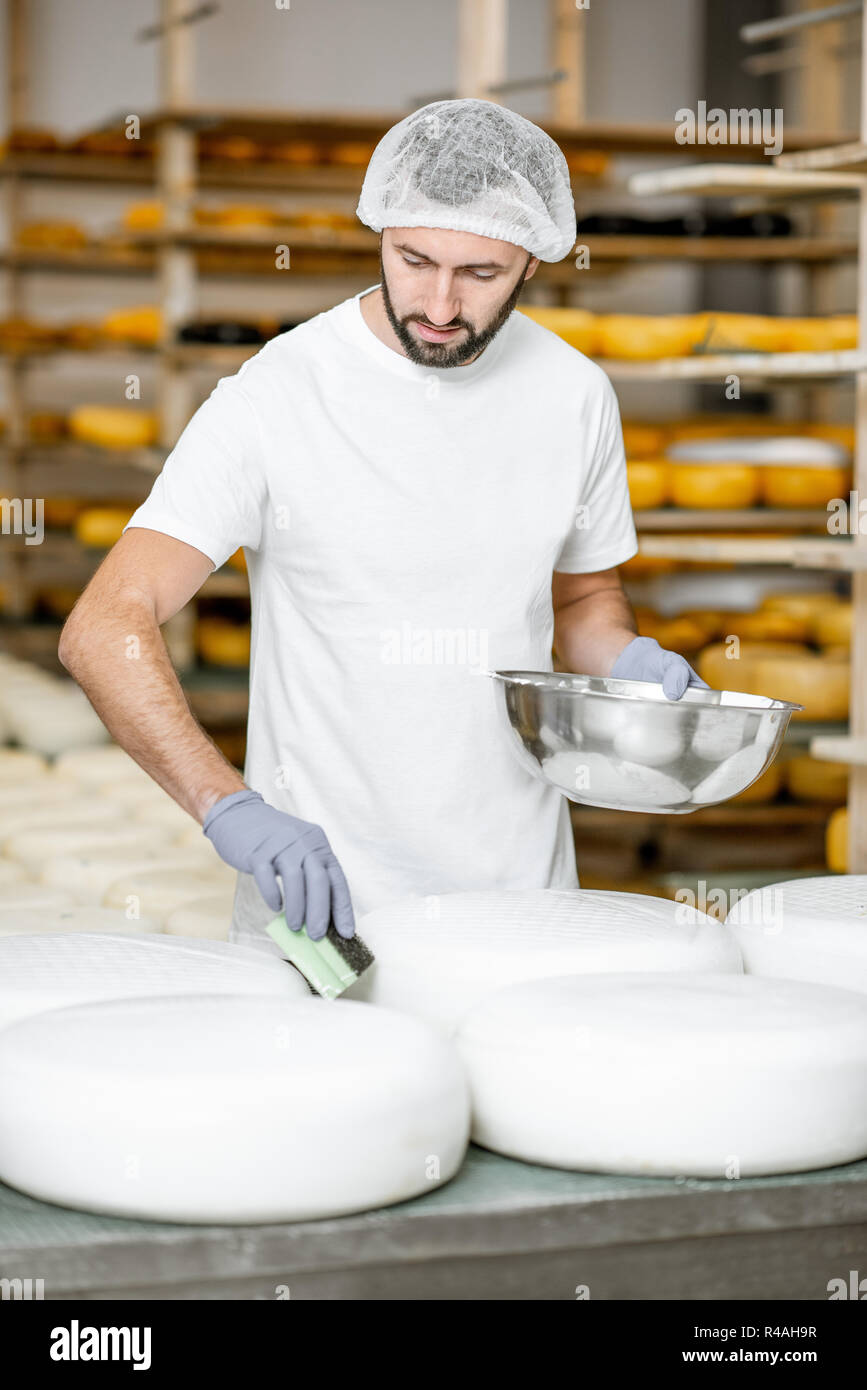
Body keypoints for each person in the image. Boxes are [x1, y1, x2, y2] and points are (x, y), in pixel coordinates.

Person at [58, 99, 703, 955]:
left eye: (479, 272)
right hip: (324, 908)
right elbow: (104, 628)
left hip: (521, 896)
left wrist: (622, 661)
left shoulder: (573, 392)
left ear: (532, 263)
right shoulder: (278, 395)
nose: (438, 302)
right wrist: (229, 808)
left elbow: (584, 597)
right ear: (379, 232)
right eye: (413, 259)